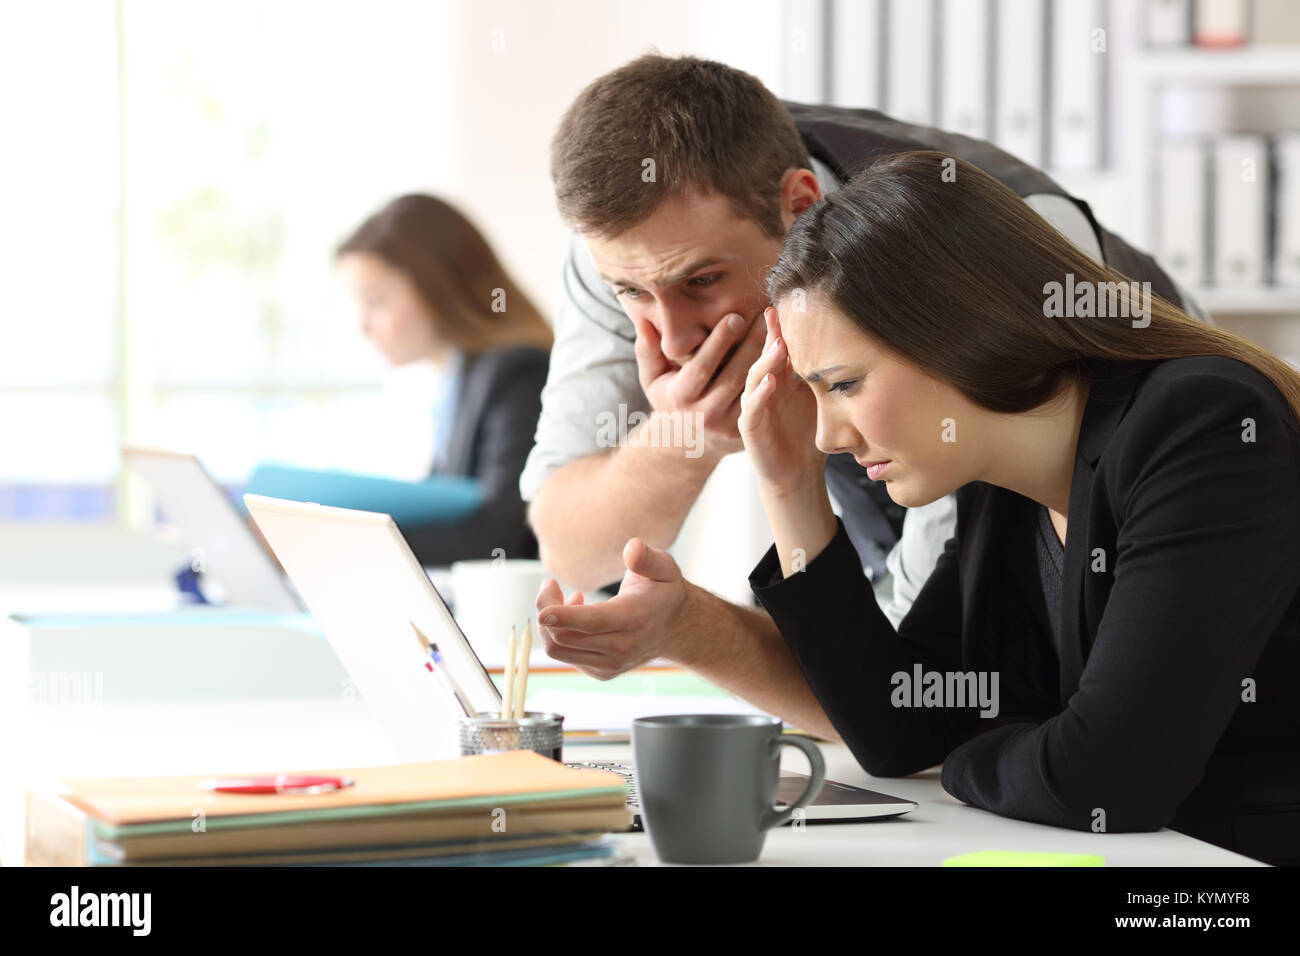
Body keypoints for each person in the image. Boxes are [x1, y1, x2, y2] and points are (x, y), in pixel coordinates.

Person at [530, 54, 1205, 732]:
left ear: (799, 205)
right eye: (632, 293)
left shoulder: (969, 249)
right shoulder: (638, 243)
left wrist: (704, 627)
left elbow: (934, 694)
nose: (673, 341)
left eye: (702, 282)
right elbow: (571, 551)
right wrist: (689, 439)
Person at [732, 151, 1300, 864]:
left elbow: (1108, 778)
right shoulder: (999, 488)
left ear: (954, 330)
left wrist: (972, 753)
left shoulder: (1200, 423)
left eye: (843, 384)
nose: (827, 436)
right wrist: (790, 489)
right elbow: (899, 727)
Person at [335, 194, 552, 565]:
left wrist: (346, 547)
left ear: (437, 289)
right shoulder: (460, 381)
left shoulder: (518, 374)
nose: (362, 325)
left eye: (376, 301)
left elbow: (500, 535)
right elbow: (447, 509)